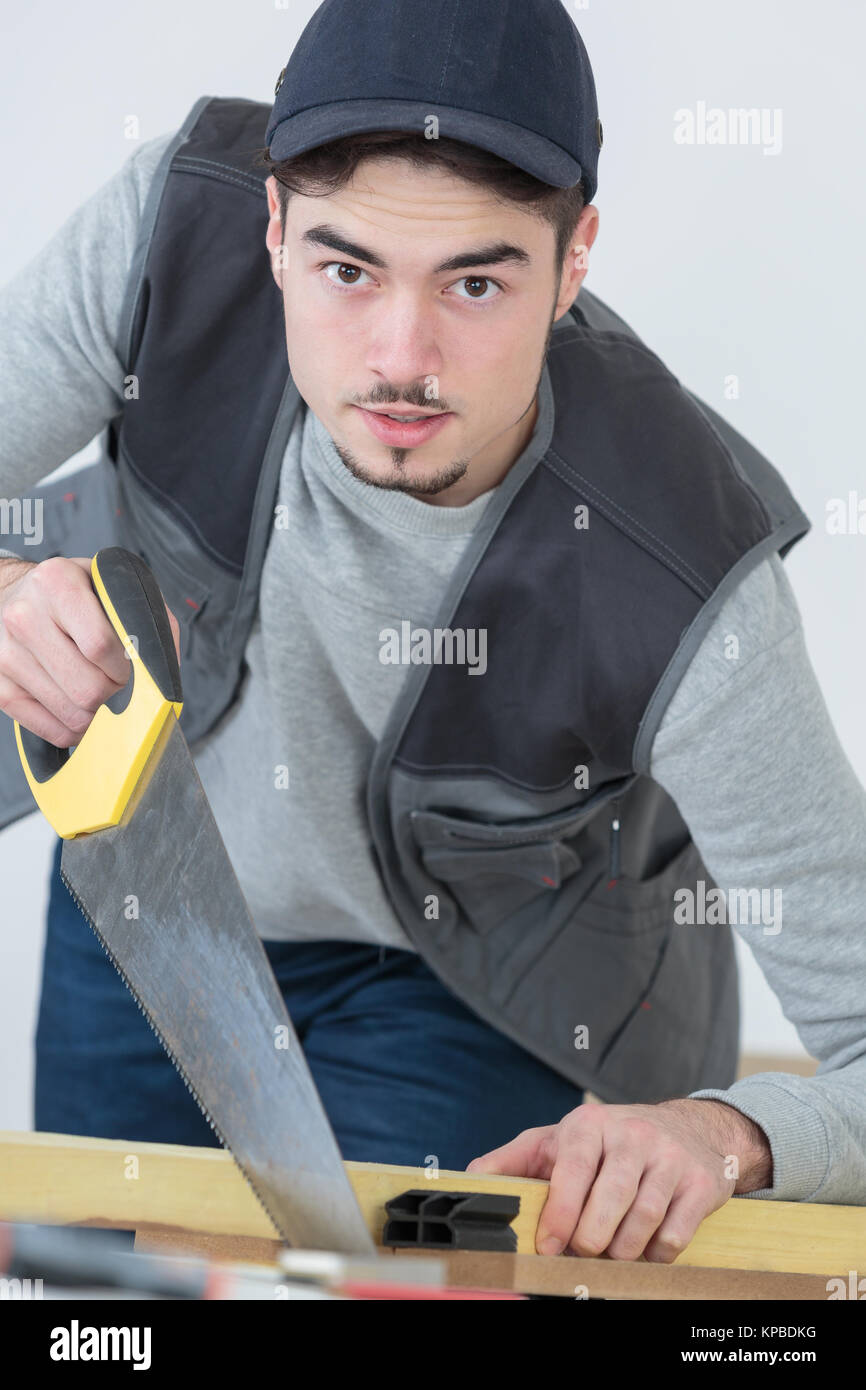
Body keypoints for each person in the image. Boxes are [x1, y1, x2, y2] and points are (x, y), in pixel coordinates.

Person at [0, 0, 864, 1265]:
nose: (400, 359)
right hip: (159, 895)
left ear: (572, 263)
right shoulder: (157, 234)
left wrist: (723, 1131)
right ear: (273, 227)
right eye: (347, 271)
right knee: (93, 1305)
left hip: (489, 1001)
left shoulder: (691, 579)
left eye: (475, 280)